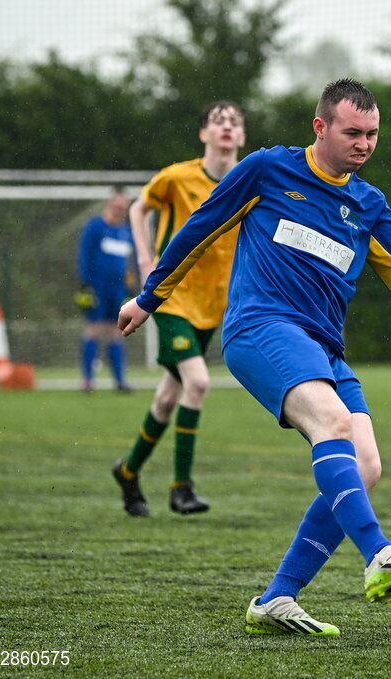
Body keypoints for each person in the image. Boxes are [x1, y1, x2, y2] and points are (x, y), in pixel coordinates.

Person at [117, 79, 391, 636]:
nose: (364, 144)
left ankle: (277, 598)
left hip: (323, 348)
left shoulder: (368, 205)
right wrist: (150, 296)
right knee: (333, 423)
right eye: (352, 132)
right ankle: (379, 553)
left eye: (373, 134)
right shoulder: (268, 169)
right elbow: (202, 224)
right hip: (260, 327)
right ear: (320, 127)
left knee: (366, 467)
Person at [111, 101, 246, 517]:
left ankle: (129, 471)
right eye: (217, 122)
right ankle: (181, 487)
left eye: (234, 123)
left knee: (169, 398)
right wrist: (145, 259)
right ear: (203, 134)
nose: (226, 128)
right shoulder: (177, 176)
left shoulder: (248, 181)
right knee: (199, 382)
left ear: (242, 136)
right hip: (171, 297)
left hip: (214, 304)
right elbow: (139, 207)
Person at [77, 187, 134, 393]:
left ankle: (119, 381)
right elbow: (84, 255)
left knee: (116, 332)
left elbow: (128, 263)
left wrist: (130, 287)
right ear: (108, 205)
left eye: (123, 207)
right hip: (97, 287)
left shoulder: (126, 232)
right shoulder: (94, 228)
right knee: (92, 329)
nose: (120, 210)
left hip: (117, 289)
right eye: (117, 206)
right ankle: (88, 381)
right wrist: (85, 285)